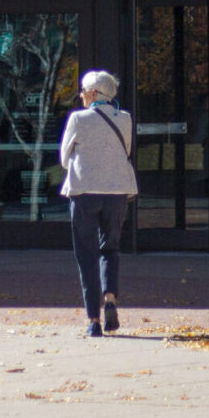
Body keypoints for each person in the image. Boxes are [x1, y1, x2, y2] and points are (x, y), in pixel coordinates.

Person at [59, 69, 137, 337]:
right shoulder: (125, 118)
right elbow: (125, 150)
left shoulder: (78, 119)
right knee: (111, 249)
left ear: (94, 93)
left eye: (83, 90)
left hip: (84, 192)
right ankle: (111, 299)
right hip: (117, 192)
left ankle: (93, 319)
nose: (80, 95)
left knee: (86, 255)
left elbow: (63, 157)